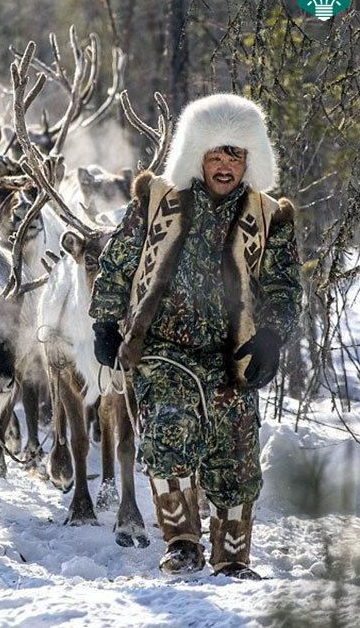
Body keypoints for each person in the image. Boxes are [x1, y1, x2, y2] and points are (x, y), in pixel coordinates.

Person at [88, 93, 302, 579]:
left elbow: (286, 286)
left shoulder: (269, 216)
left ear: (250, 160)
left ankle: (231, 561)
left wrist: (273, 334)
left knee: (236, 458)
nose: (225, 164)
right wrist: (105, 320)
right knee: (167, 433)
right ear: (197, 155)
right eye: (216, 153)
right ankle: (182, 543)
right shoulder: (159, 199)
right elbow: (119, 262)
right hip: (163, 346)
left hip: (232, 354)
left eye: (236, 154)